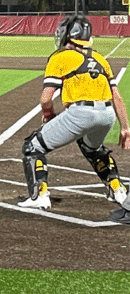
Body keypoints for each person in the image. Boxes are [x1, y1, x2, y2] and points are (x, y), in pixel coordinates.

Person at [17, 15, 129, 213]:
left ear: (69, 36)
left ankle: (39, 196)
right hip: (107, 114)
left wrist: (49, 114)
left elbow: (46, 98)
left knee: (32, 146)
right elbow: (117, 98)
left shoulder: (60, 56)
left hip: (81, 112)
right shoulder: (101, 59)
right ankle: (117, 189)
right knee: (92, 148)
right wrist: (125, 127)